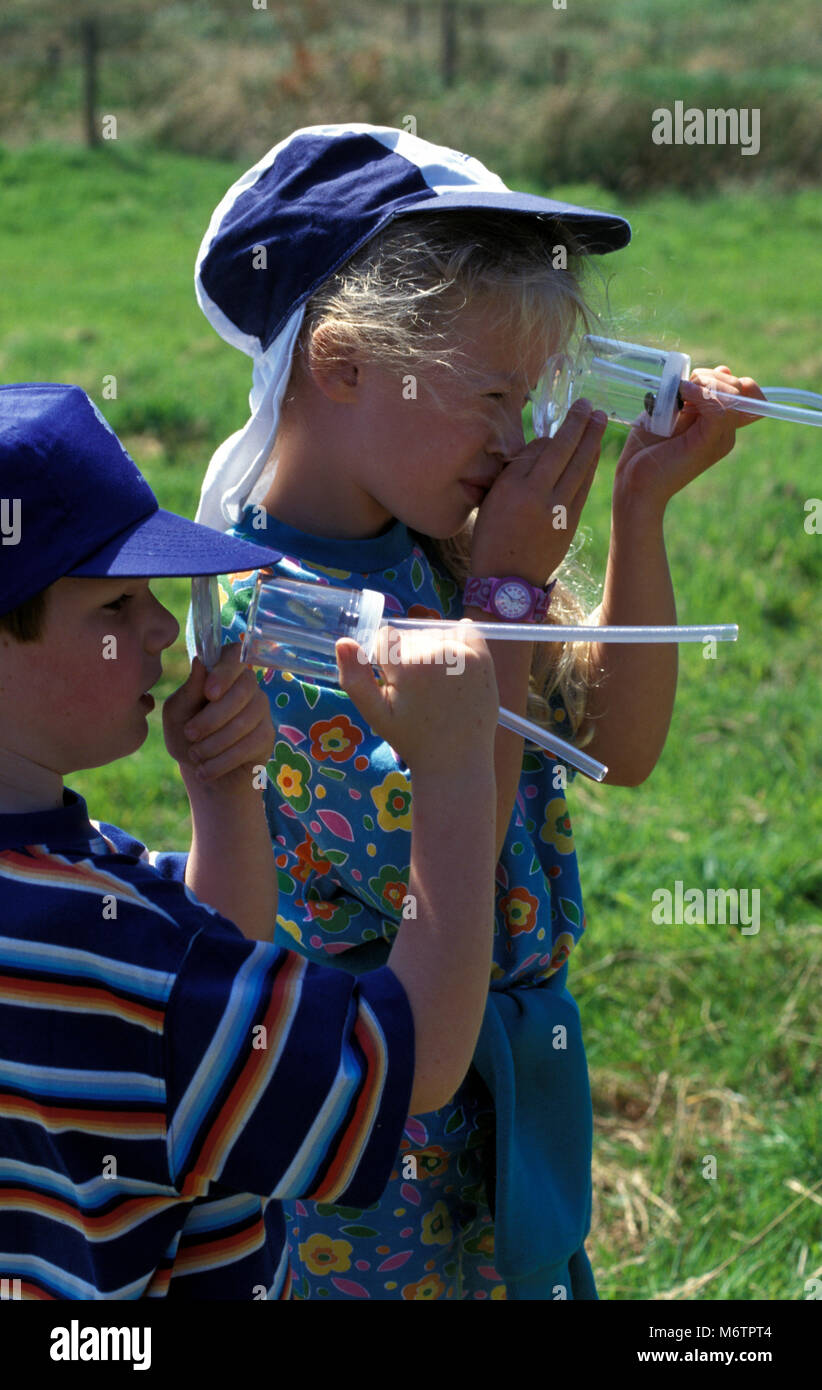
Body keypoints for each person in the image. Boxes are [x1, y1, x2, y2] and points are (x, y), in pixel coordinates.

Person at [191, 124, 764, 1300]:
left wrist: (640, 508)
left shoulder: (439, 554)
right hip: (373, 1147)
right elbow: (452, 842)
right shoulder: (283, 620)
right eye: (493, 396)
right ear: (343, 361)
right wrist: (504, 600)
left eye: (534, 396)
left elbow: (620, 747)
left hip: (496, 1127)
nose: (515, 439)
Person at [0, 382, 501, 1300]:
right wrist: (457, 772)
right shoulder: (123, 957)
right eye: (112, 609)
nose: (158, 627)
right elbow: (419, 1059)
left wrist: (225, 798)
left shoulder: (73, 900)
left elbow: (210, 971)